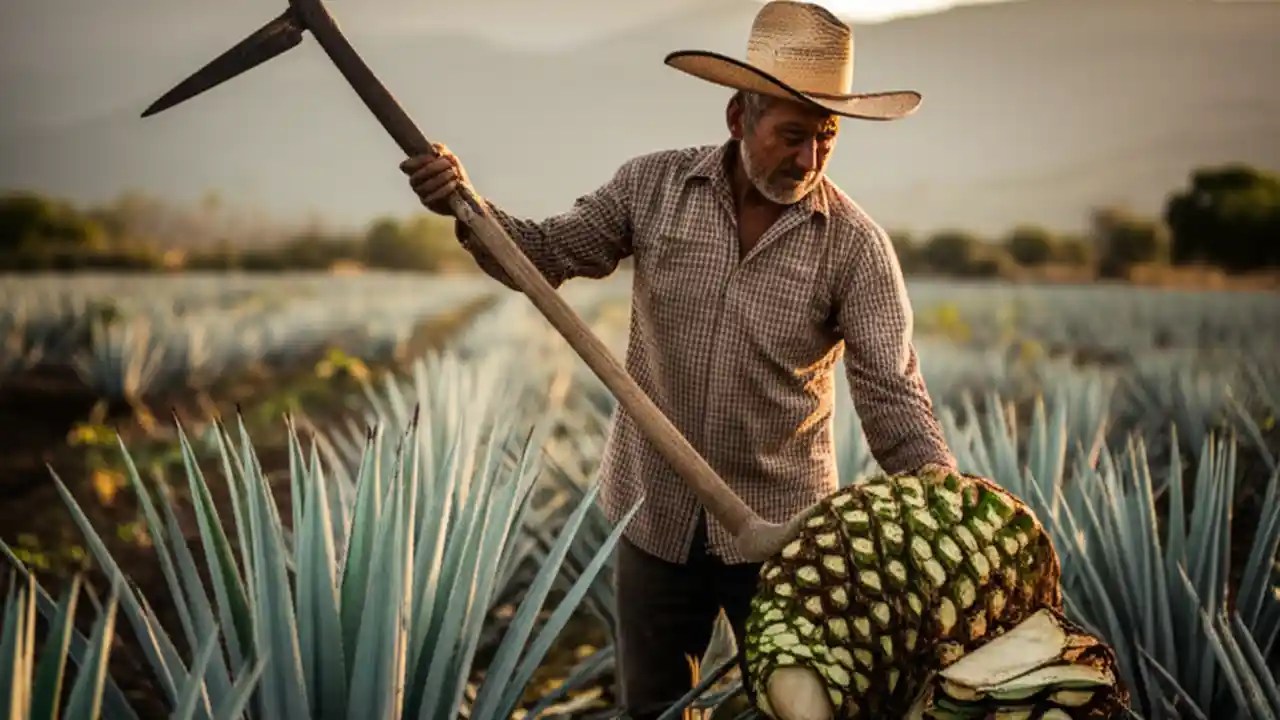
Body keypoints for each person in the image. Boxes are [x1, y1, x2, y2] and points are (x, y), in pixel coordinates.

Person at [400, 1, 957, 716]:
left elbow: (892, 394)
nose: (808, 158)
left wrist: (947, 505)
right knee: (655, 707)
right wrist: (464, 204)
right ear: (737, 119)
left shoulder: (854, 245)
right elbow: (540, 255)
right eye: (791, 136)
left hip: (783, 535)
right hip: (654, 515)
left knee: (803, 708)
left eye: (826, 138)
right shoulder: (652, 188)